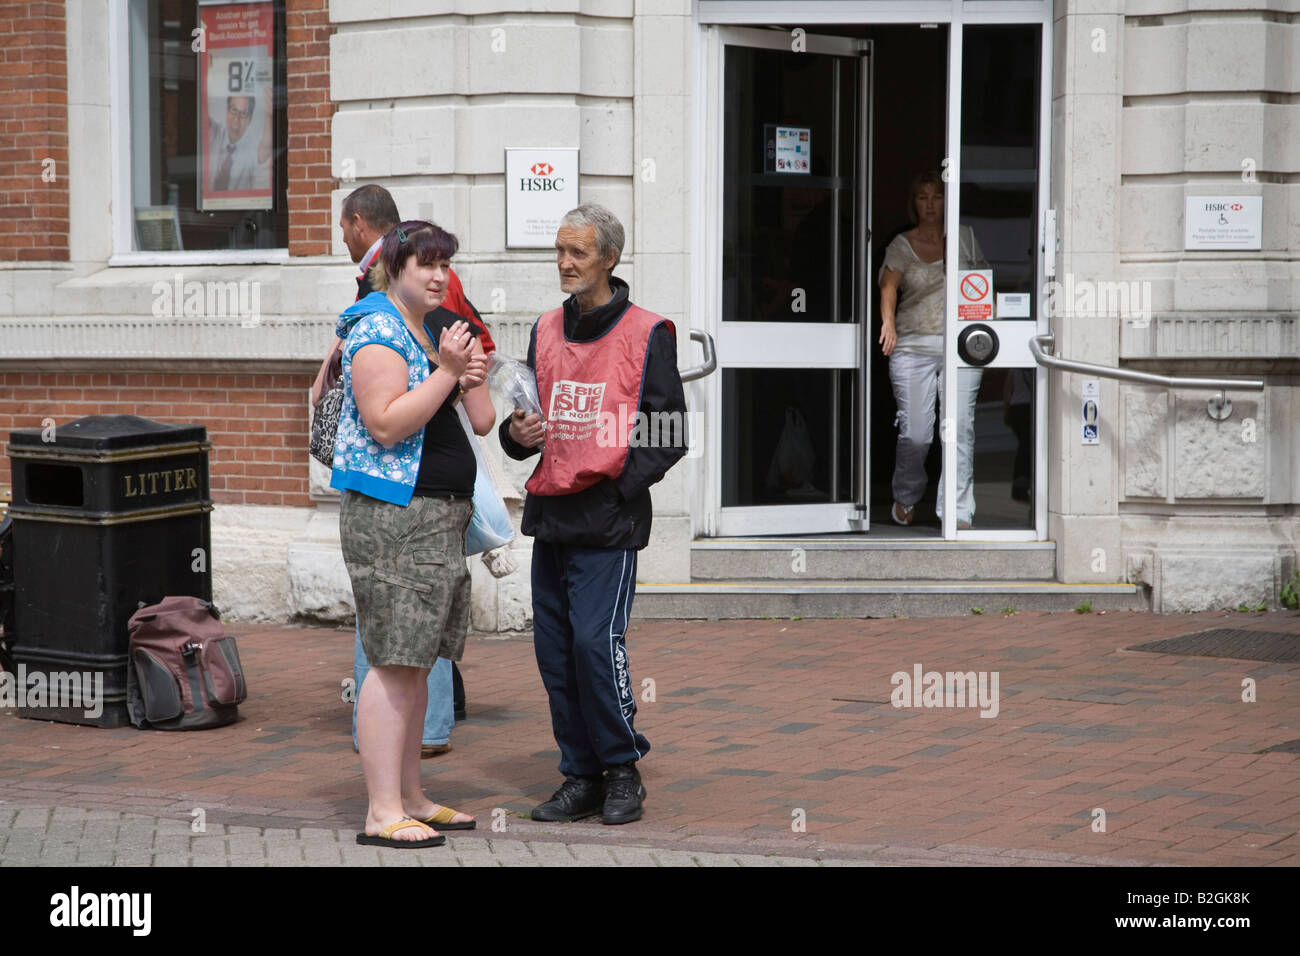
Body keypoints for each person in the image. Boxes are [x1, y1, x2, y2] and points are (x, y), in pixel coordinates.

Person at [499, 204, 688, 825]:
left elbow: (668, 434)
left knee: (593, 643)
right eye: (558, 251)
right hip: (552, 513)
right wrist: (516, 433)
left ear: (609, 257)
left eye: (577, 253)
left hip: (608, 520)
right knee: (554, 652)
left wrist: (615, 488)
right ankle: (578, 775)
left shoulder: (648, 332)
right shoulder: (546, 328)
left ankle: (621, 769)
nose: (564, 263)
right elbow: (529, 421)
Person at [334, 219, 494, 847]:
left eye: (443, 265)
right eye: (424, 263)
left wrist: (467, 369)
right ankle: (381, 812)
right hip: (395, 520)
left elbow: (480, 423)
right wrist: (447, 373)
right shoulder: (376, 328)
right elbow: (385, 424)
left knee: (419, 661)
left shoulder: (426, 331)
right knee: (394, 661)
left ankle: (411, 797)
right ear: (393, 267)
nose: (436, 275)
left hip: (436, 518)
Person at [878, 169, 988, 529]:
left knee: (959, 429)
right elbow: (888, 287)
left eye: (937, 196)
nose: (930, 204)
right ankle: (906, 496)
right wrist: (888, 323)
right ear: (913, 203)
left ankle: (957, 511)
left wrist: (989, 333)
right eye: (923, 196)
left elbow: (984, 286)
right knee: (917, 433)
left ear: (946, 202)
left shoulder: (964, 239)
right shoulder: (901, 244)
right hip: (912, 346)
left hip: (960, 348)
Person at [206, 89, 272, 194]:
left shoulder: (252, 147)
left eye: (244, 114)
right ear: (227, 111)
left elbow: (266, 147)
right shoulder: (214, 132)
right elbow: (201, 114)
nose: (236, 120)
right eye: (233, 110)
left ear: (250, 120)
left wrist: (269, 114)